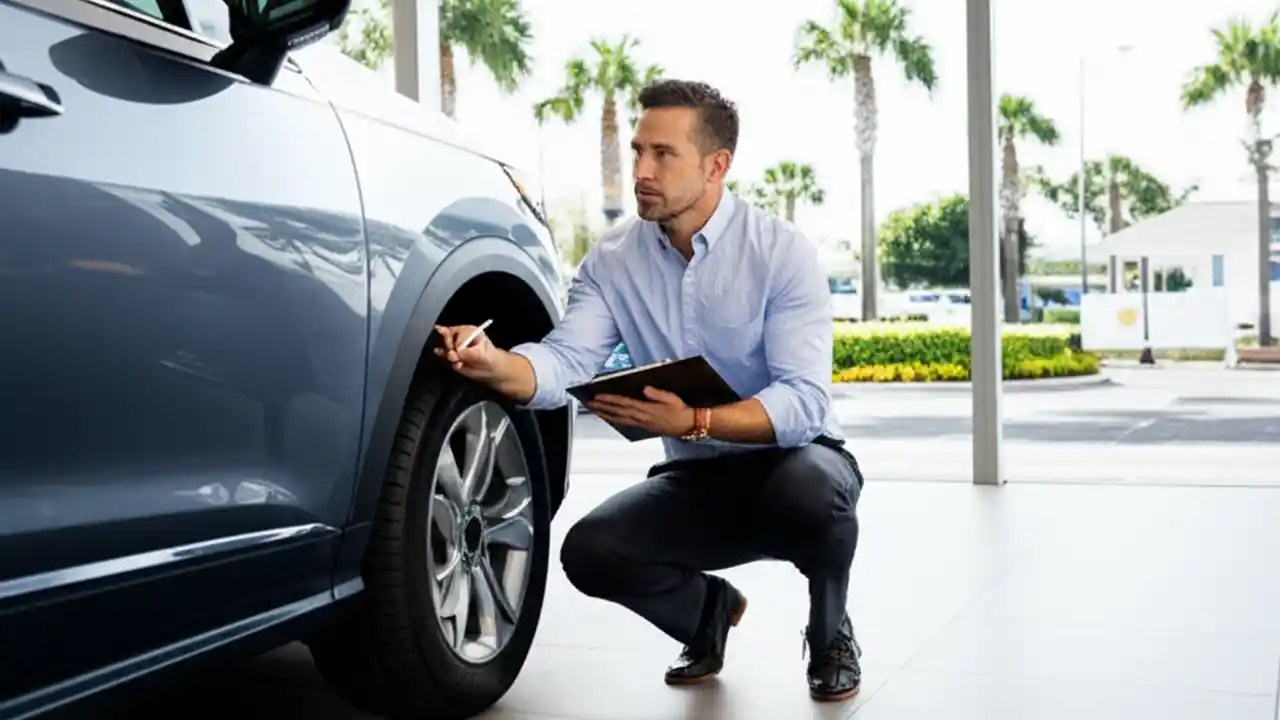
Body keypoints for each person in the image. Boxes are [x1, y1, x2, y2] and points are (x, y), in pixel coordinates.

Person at [433, 79, 864, 702]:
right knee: (589, 551)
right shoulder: (611, 261)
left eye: (663, 154)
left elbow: (803, 404)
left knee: (814, 492)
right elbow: (564, 362)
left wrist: (694, 419)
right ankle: (705, 615)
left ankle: (830, 635)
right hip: (697, 479)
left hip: (793, 467)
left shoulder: (780, 252)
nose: (641, 170)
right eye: (638, 151)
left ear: (717, 166)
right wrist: (495, 362)